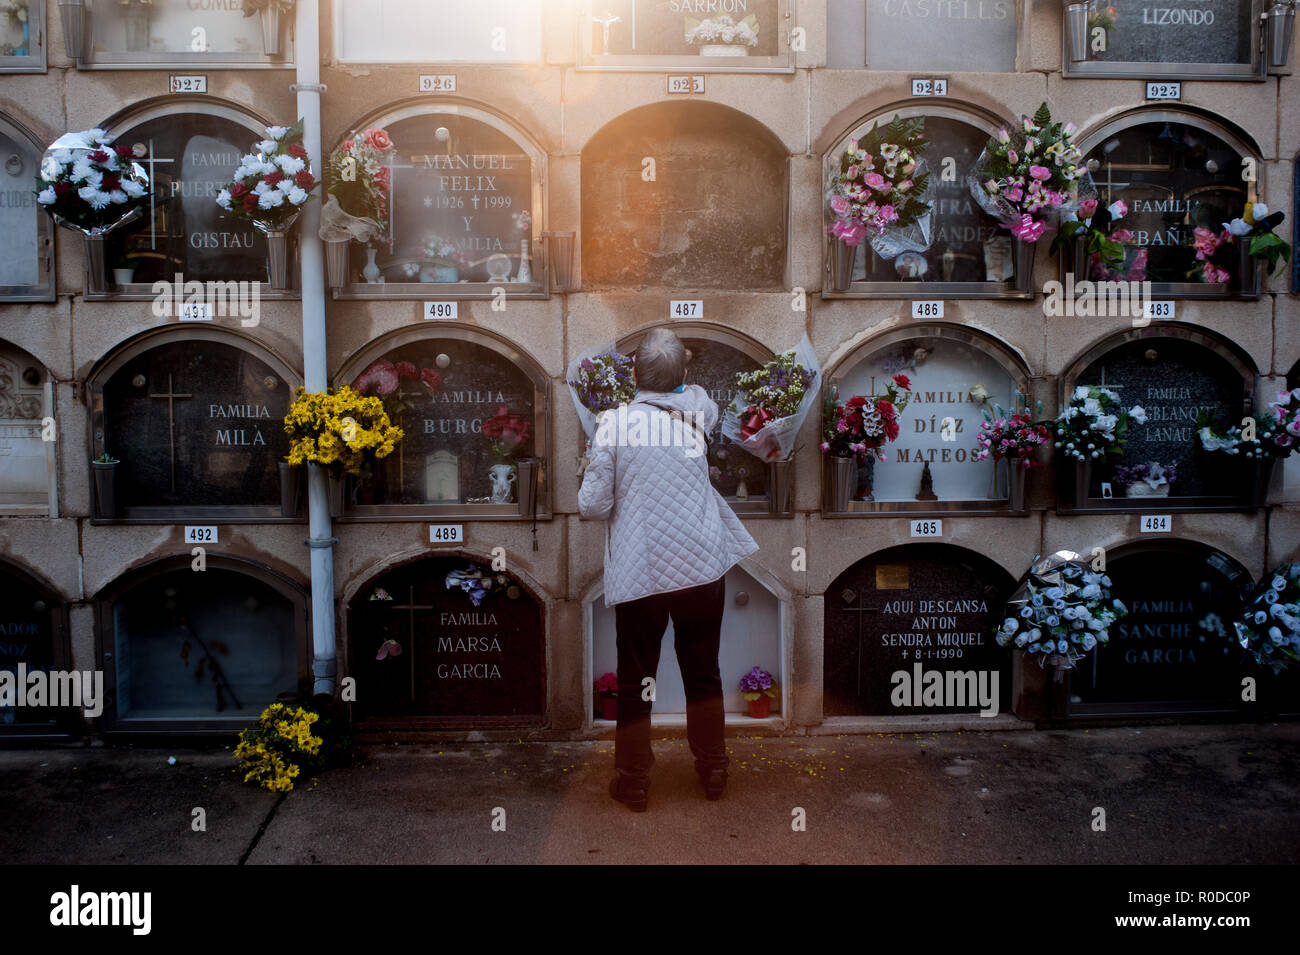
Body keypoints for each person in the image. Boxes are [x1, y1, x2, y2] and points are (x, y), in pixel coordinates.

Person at [578, 328, 759, 812]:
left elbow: (592, 507)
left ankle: (634, 781)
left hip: (644, 569)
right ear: (682, 375)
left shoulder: (614, 424)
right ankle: (713, 768)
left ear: (633, 375)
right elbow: (693, 394)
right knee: (703, 670)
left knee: (638, 675)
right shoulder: (698, 411)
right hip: (702, 566)